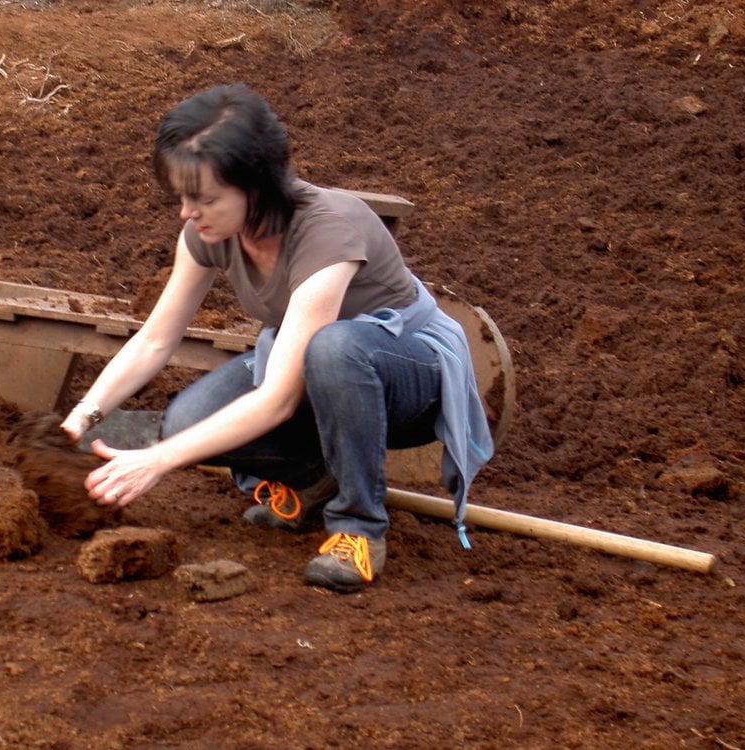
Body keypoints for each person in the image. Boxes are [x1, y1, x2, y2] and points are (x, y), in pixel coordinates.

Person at [61, 83, 493, 593]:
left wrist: (157, 460)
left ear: (258, 185)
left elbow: (279, 399)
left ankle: (358, 528)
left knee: (334, 348)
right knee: (185, 420)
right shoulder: (210, 235)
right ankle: (313, 481)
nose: (186, 212)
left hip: (409, 379)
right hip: (320, 369)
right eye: (181, 196)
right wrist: (83, 417)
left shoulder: (328, 231)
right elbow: (156, 339)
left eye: (204, 199)